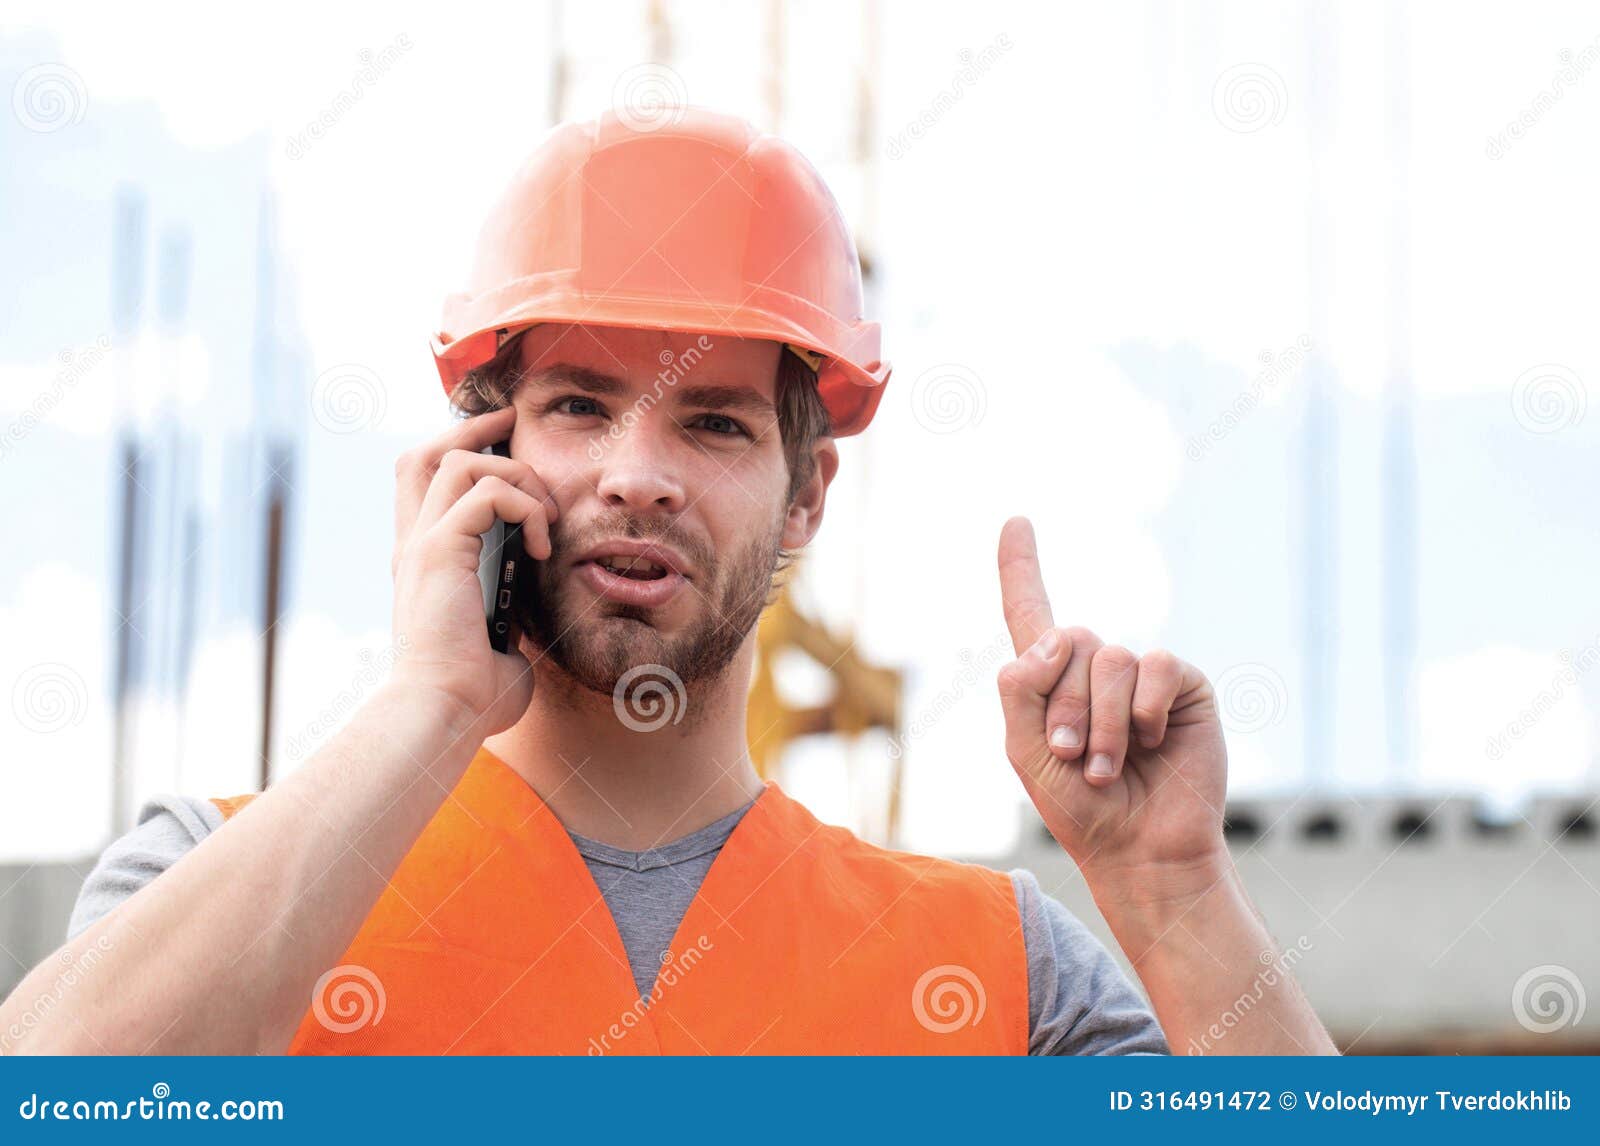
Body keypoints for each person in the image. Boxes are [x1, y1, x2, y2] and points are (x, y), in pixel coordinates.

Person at [0, 110, 1334, 1055]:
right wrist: (427, 704)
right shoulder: (218, 876)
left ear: (808, 495)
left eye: (714, 424)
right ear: (481, 455)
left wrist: (1175, 895)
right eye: (580, 405)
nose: (639, 476)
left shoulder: (994, 978)